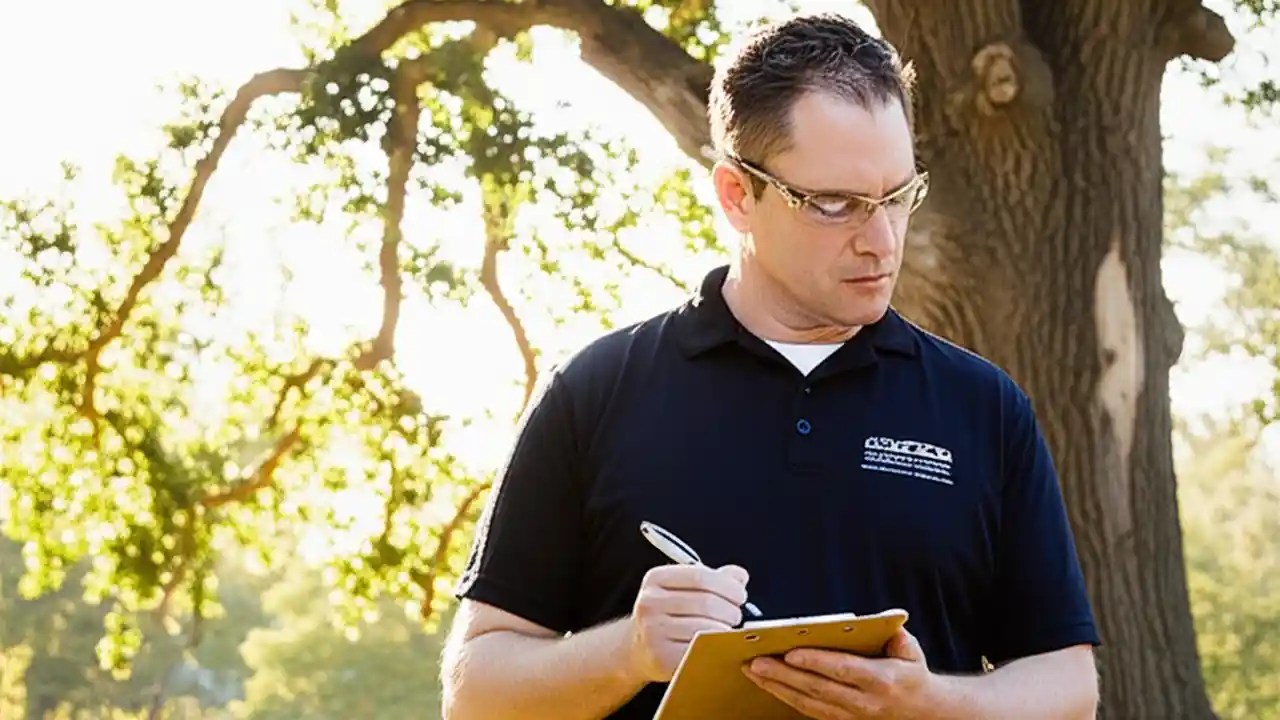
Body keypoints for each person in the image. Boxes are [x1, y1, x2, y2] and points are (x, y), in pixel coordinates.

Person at [440, 11, 1101, 720]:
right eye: (835, 204)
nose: (881, 241)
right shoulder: (594, 391)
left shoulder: (984, 407)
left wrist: (931, 703)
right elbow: (474, 695)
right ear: (736, 195)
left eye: (897, 197)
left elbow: (1068, 686)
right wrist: (626, 652)